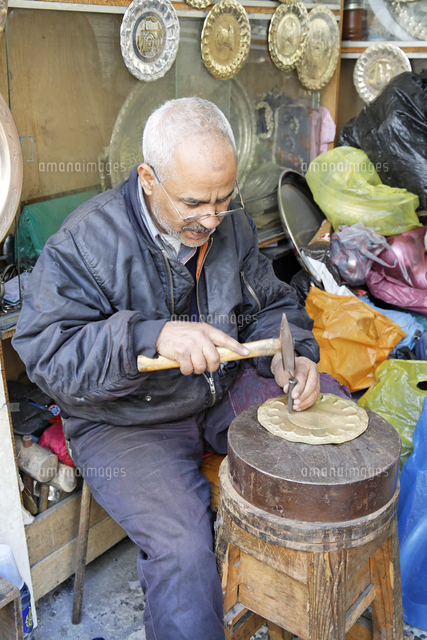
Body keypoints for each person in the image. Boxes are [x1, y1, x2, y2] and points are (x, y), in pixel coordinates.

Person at [13, 97, 347, 640]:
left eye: (223, 199)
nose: (212, 218)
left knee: (333, 426)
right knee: (184, 551)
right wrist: (150, 334)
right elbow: (47, 354)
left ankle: (300, 603)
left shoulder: (229, 224)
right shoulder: (85, 243)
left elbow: (272, 305)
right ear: (148, 179)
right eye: (195, 203)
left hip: (220, 389)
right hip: (126, 422)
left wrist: (295, 358)